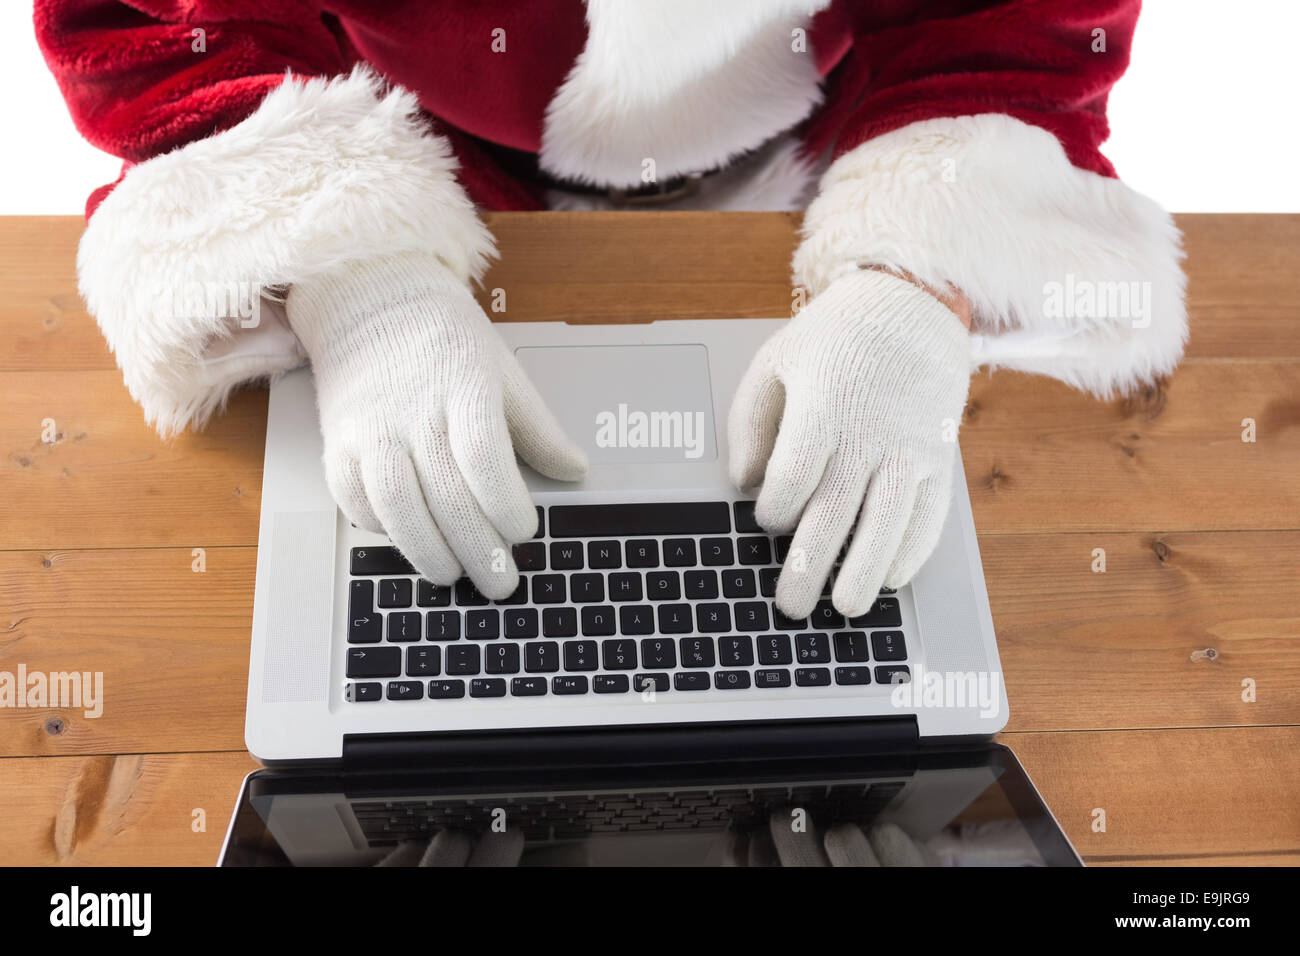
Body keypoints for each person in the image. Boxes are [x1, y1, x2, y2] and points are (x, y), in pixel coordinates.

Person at [35, 0, 1186, 618]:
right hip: (416, 148)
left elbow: (1008, 20)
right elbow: (172, 26)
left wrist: (917, 282)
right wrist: (356, 273)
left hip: (824, 156)